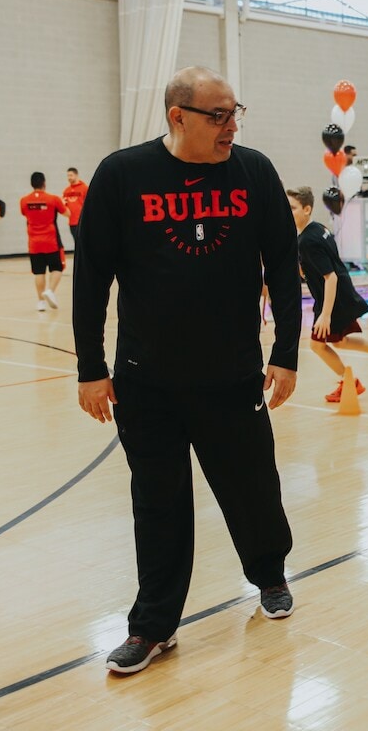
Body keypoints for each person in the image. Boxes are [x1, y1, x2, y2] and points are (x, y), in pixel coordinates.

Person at [73, 66, 302, 675]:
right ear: (178, 117)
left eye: (235, 112)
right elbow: (91, 274)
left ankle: (270, 575)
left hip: (232, 376)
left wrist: (286, 351)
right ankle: (153, 626)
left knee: (252, 488)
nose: (232, 126)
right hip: (145, 380)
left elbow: (282, 263)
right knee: (157, 502)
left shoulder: (252, 170)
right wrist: (91, 366)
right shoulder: (123, 174)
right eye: (218, 115)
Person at [288, 186, 368, 401]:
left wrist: (325, 314)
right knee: (340, 341)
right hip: (339, 294)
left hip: (333, 298)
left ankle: (350, 383)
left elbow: (330, 277)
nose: (288, 212)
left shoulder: (307, 241)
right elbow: (319, 268)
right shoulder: (318, 229)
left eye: (292, 208)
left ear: (307, 209)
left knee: (317, 345)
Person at [19, 172, 67, 311]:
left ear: (31, 184)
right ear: (44, 183)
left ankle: (40, 302)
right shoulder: (53, 199)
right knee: (57, 268)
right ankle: (50, 290)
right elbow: (67, 213)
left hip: (34, 242)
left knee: (39, 272)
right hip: (51, 241)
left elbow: (24, 213)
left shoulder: (24, 200)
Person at [63, 167, 89, 247]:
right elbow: (64, 208)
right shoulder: (66, 191)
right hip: (72, 222)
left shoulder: (84, 188)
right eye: (68, 176)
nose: (69, 178)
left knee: (84, 243)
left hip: (82, 221)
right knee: (77, 243)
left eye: (71, 175)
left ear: (76, 175)